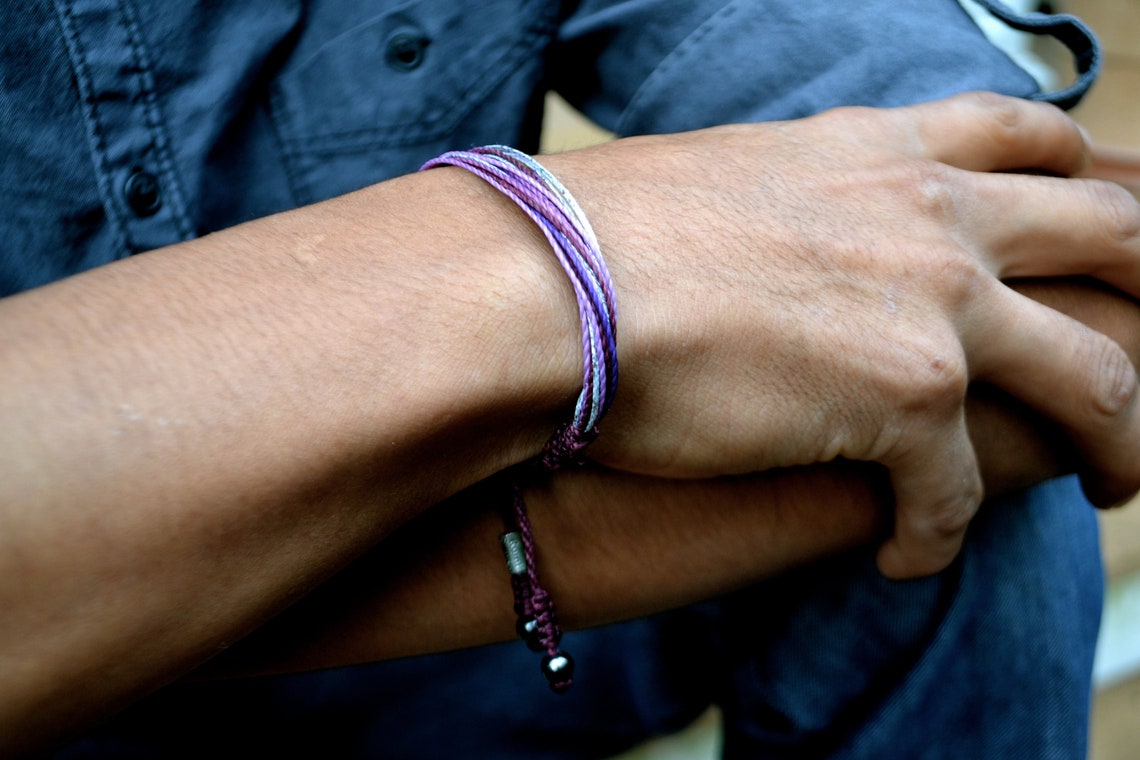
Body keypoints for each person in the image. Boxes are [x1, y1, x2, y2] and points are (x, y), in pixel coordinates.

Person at [2, 0, 1138, 757]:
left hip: (474, 646)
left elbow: (1062, 308)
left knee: (931, 367)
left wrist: (118, 542)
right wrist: (586, 267)